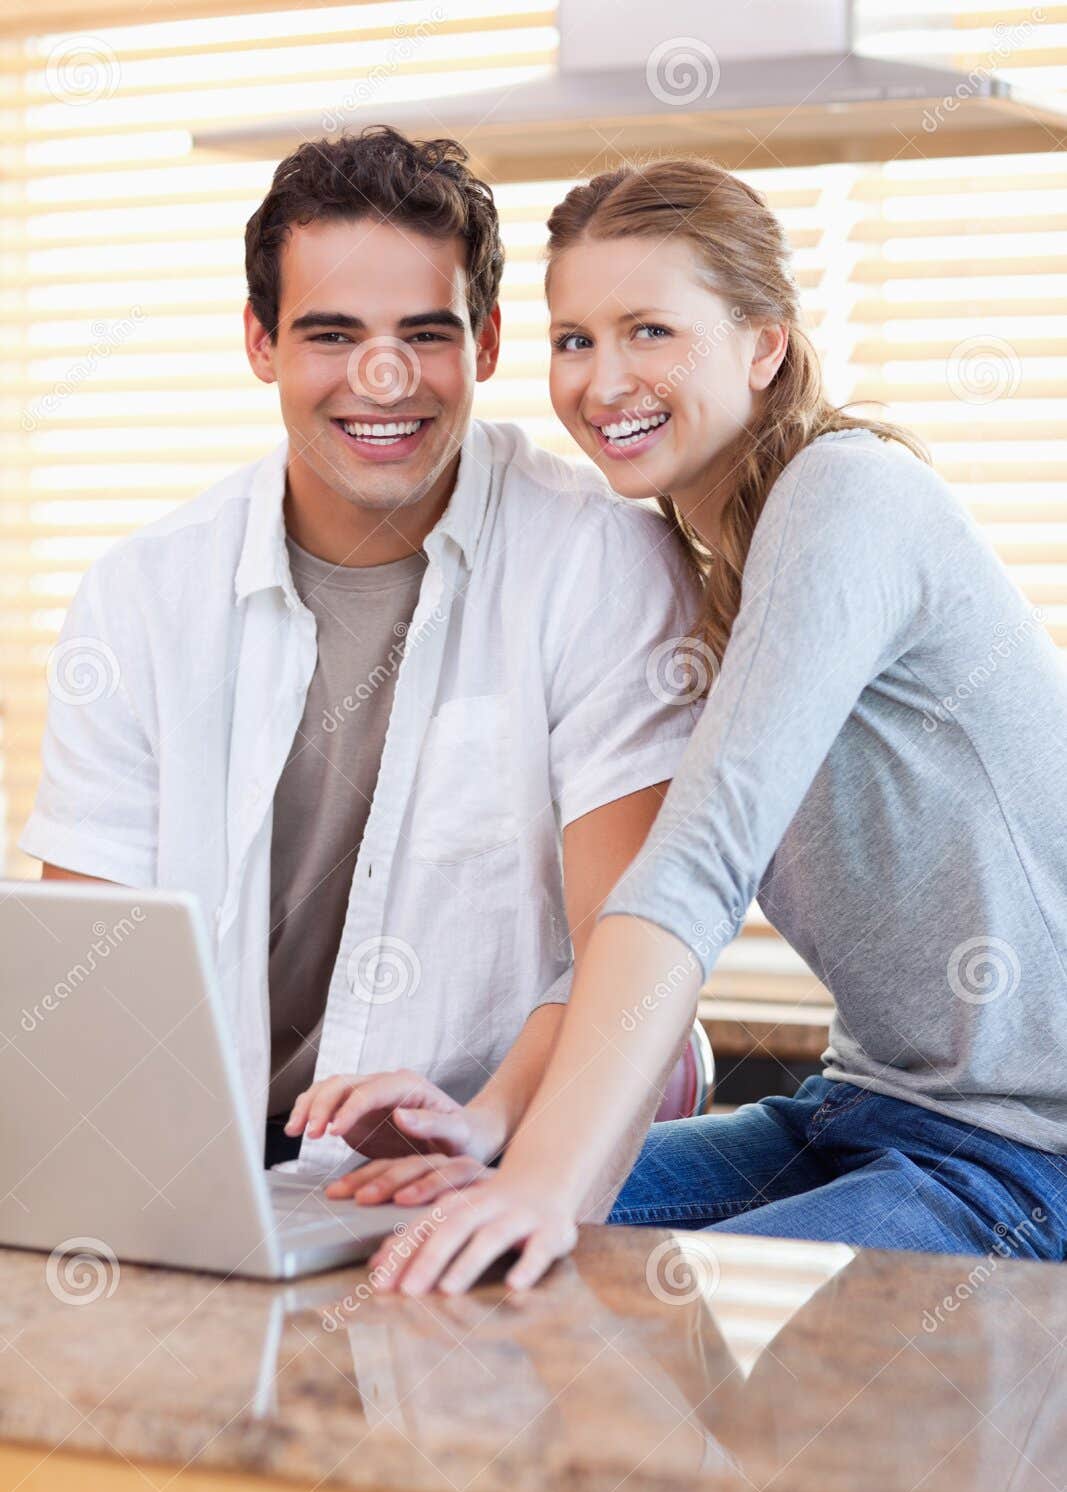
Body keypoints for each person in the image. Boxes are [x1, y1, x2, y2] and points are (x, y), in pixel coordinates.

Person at [356, 155, 1067, 1294]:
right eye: (574, 338)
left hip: (1031, 1155)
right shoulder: (688, 576)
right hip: (862, 1106)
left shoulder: (848, 496)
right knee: (420, 1243)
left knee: (630, 1309)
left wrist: (545, 1182)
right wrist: (493, 1126)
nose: (601, 380)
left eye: (649, 330)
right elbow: (625, 911)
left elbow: (692, 872)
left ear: (762, 344)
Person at [19, 130, 702, 1173]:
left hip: (503, 1163)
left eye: (423, 334)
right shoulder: (142, 597)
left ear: (484, 344)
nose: (380, 381)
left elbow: (630, 950)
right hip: (214, 1165)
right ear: (260, 344)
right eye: (331, 334)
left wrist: (486, 1126)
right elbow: (93, 979)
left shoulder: (601, 566)